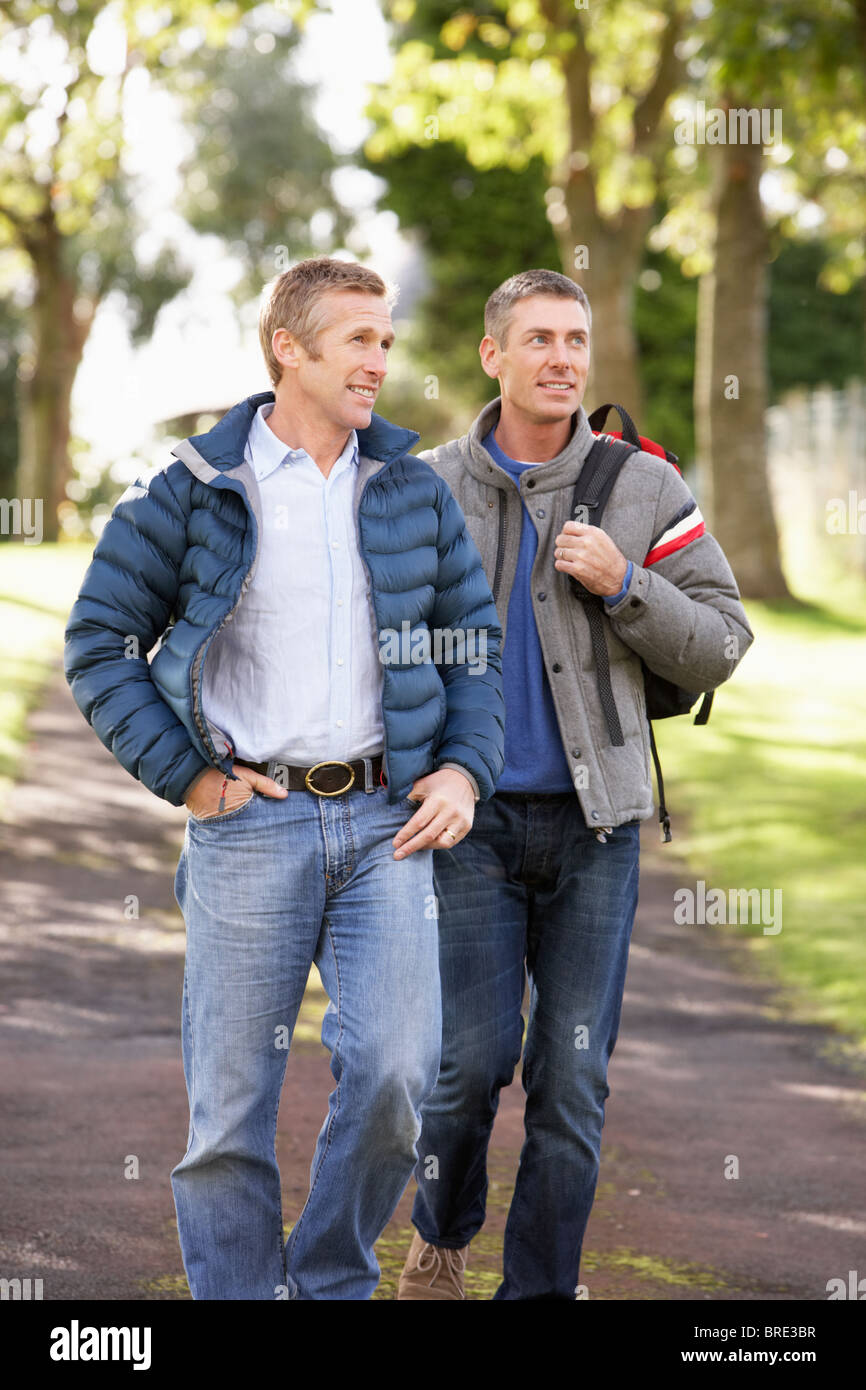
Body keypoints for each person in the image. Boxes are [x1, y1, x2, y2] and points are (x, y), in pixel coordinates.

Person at [64, 256, 504, 1301]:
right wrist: (189, 777)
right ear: (287, 348)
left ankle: (326, 1282)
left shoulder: (405, 485)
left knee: (399, 1075)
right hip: (248, 823)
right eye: (359, 338)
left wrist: (464, 771)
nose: (380, 360)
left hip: (386, 821)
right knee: (228, 1113)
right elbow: (98, 641)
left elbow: (469, 640)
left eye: (387, 340)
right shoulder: (192, 485)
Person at [397, 267, 754, 1301]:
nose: (561, 360)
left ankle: (538, 1291)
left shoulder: (644, 487)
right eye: (538, 339)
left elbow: (721, 642)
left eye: (574, 340)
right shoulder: (424, 487)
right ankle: (439, 1229)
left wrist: (625, 583)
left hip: (598, 830)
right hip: (465, 824)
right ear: (491, 355)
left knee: (571, 1079)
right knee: (467, 1063)